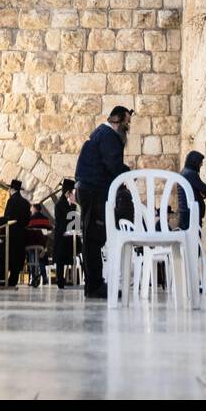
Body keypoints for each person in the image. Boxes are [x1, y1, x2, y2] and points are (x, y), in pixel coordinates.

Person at [74, 105, 133, 300]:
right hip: (94, 190)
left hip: (91, 188)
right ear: (117, 120)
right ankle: (95, 286)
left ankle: (94, 285)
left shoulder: (101, 133)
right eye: (126, 122)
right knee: (93, 238)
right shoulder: (109, 136)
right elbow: (113, 164)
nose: (128, 126)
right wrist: (130, 173)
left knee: (94, 237)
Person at [0, 179, 32, 287]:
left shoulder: (11, 201)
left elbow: (7, 218)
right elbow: (27, 221)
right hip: (21, 235)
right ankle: (13, 280)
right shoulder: (26, 203)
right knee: (17, 258)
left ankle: (1, 279)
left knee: (4, 256)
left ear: (11, 189)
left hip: (10, 234)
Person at [52, 179, 77, 289]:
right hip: (61, 235)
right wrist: (73, 205)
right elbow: (69, 217)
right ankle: (60, 280)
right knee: (60, 259)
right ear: (68, 193)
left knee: (65, 258)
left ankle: (65, 279)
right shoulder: (61, 204)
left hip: (66, 235)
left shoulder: (66, 203)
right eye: (72, 192)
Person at [177, 150, 206, 232]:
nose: (201, 165)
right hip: (191, 215)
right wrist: (203, 192)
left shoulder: (183, 172)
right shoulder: (191, 174)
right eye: (200, 162)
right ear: (195, 162)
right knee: (195, 242)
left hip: (185, 213)